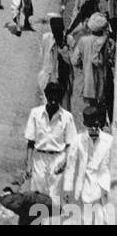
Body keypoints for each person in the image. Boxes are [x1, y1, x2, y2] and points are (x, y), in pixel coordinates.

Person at [25, 82, 78, 214]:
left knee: (54, 196)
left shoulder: (67, 117)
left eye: (56, 97)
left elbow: (71, 144)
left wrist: (64, 162)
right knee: (37, 194)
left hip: (57, 159)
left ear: (60, 98)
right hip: (39, 158)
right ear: (46, 96)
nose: (53, 100)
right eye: (50, 96)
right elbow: (30, 142)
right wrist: (28, 164)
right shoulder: (35, 113)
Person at [64, 108, 113, 225]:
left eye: (96, 126)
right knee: (84, 219)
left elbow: (111, 166)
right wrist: (67, 188)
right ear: (86, 125)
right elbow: (70, 165)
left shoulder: (109, 140)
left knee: (101, 219)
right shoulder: (79, 140)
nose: (94, 129)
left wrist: (107, 186)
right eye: (91, 126)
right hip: (84, 183)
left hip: (102, 185)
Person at [70, 13, 113, 122]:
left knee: (92, 107)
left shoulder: (84, 41)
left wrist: (83, 64)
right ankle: (103, 126)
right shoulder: (108, 41)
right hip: (104, 79)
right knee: (103, 105)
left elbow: (74, 61)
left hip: (88, 81)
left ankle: (93, 125)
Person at [38, 13, 73, 112]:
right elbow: (43, 56)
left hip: (63, 79)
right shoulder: (46, 38)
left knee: (64, 107)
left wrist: (63, 50)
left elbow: (71, 60)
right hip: (48, 77)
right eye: (55, 31)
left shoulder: (68, 40)